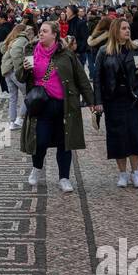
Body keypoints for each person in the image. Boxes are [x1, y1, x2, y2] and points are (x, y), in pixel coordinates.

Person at [18, 23, 96, 191]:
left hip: (65, 105)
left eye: (45, 31)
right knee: (40, 140)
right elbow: (20, 77)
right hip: (42, 104)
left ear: (55, 35)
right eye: (40, 31)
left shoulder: (66, 54)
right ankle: (37, 169)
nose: (41, 33)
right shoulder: (31, 50)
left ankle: (64, 178)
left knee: (64, 142)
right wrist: (24, 70)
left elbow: (81, 78)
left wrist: (92, 102)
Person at [94, 17, 138, 188]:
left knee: (133, 133)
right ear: (115, 31)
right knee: (117, 136)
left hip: (132, 98)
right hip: (113, 99)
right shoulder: (104, 51)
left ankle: (136, 172)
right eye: (124, 28)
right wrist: (98, 102)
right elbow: (97, 79)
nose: (127, 31)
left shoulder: (136, 48)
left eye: (128, 28)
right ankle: (122, 173)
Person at [1, 23, 34, 130]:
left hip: (7, 72)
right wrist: (20, 69)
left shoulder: (12, 39)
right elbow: (15, 54)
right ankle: (19, 119)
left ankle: (12, 121)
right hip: (14, 71)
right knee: (28, 94)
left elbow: (4, 50)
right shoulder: (22, 39)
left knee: (13, 97)